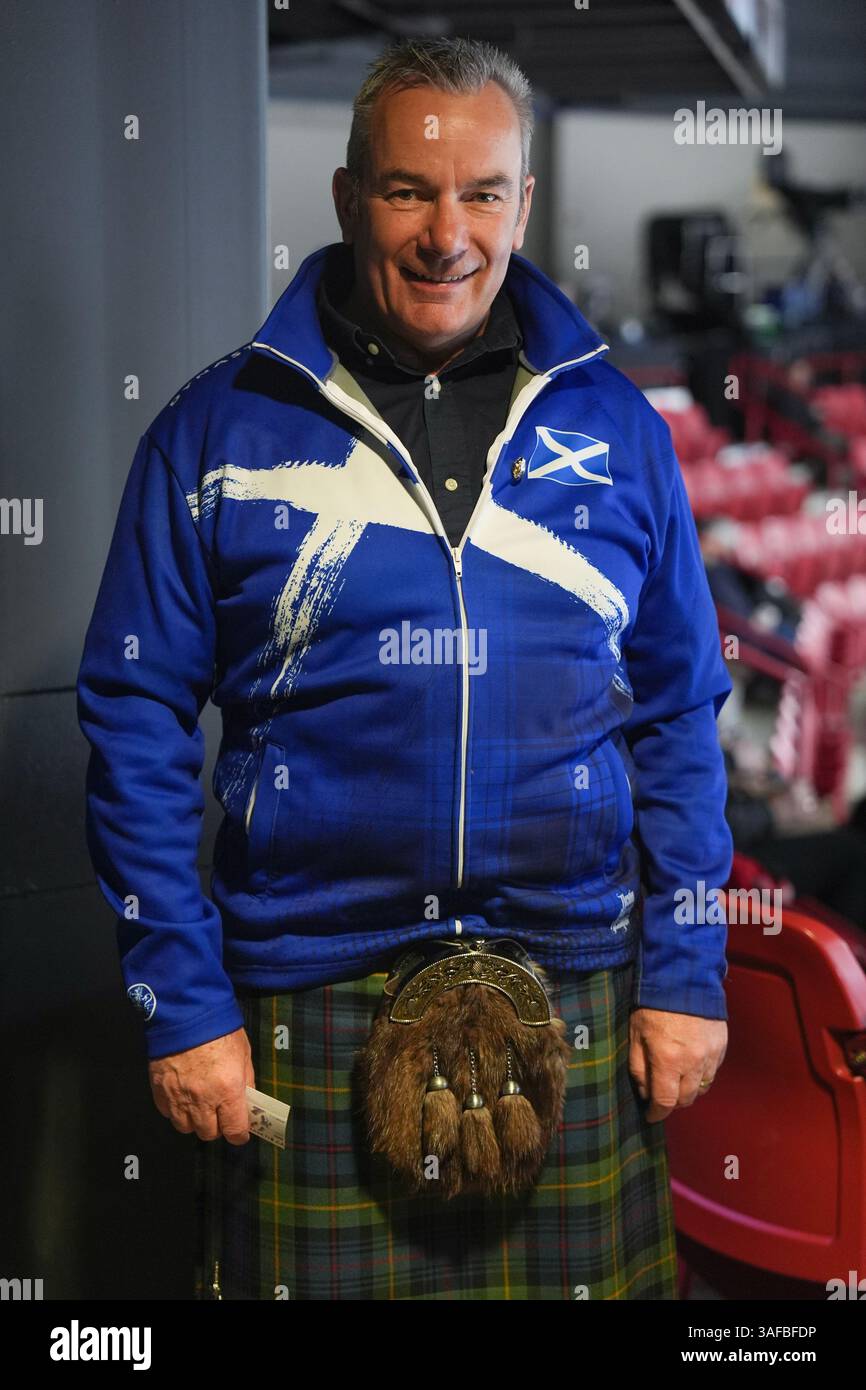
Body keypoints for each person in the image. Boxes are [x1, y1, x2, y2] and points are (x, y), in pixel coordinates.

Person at [76, 36, 733, 1301]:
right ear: (343, 197)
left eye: (482, 192)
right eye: (407, 191)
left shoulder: (619, 431)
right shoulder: (214, 428)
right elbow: (133, 712)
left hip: (580, 988)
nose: (449, 234)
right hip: (304, 996)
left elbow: (680, 713)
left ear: (522, 204)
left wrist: (691, 969)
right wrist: (183, 1000)